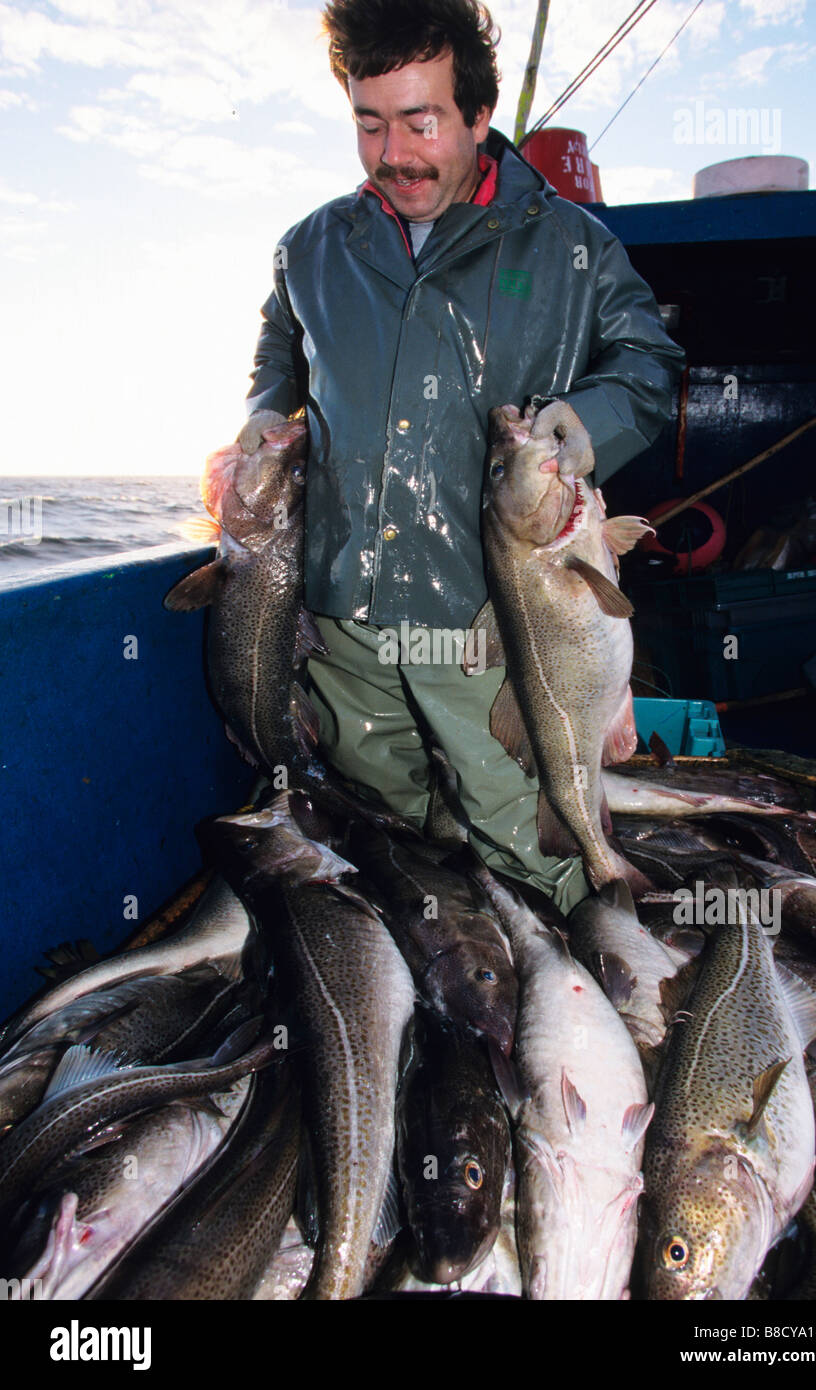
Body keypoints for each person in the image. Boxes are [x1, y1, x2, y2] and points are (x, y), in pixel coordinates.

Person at [230, 0, 685, 913]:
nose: (393, 152)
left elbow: (647, 366)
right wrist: (259, 416)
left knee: (527, 831)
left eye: (421, 120)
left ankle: (590, 985)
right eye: (369, 121)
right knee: (388, 820)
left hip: (485, 619)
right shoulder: (309, 248)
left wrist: (586, 422)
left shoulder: (574, 247)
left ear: (478, 117)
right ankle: (454, 971)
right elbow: (279, 358)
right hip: (341, 617)